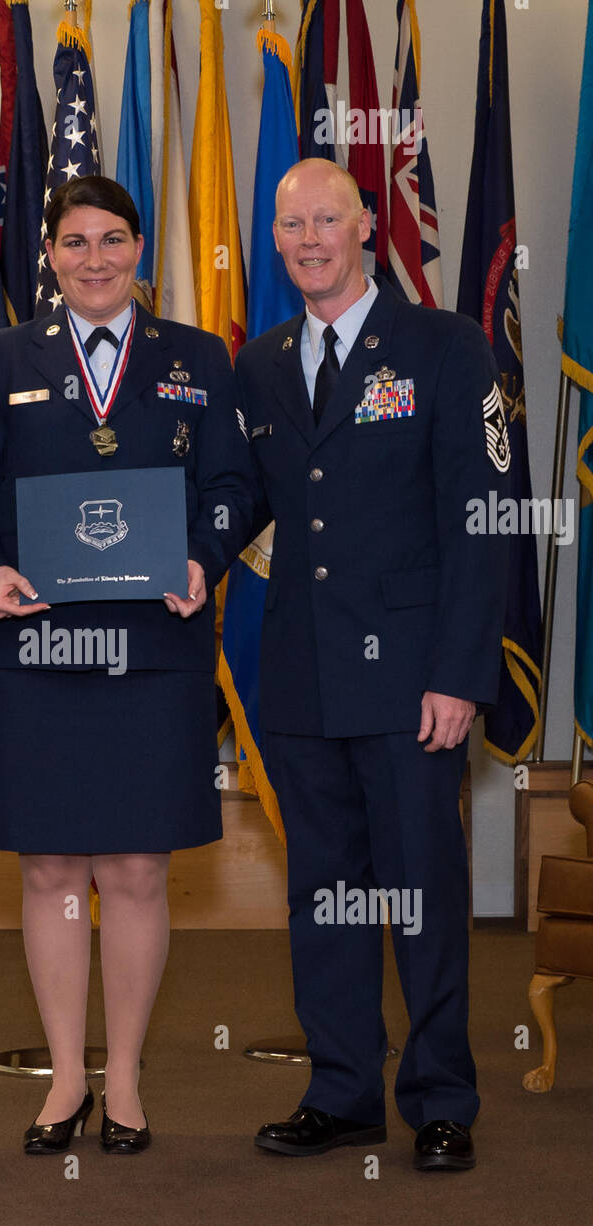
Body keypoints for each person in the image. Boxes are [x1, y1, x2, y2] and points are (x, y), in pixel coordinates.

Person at [0, 176, 252, 1154]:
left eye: (111, 239)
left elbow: (235, 483)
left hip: (153, 649)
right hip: (32, 644)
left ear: (139, 248)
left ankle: (123, 1077)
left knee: (133, 865)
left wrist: (203, 557)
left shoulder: (197, 359)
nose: (93, 258)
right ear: (48, 253)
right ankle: (62, 1076)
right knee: (49, 868)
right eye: (73, 242)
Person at [234, 158, 508, 1171]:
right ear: (273, 239)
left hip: (409, 681)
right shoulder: (257, 364)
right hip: (299, 676)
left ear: (365, 229)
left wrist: (458, 671)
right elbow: (235, 500)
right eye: (289, 223)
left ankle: (439, 1096)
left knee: (418, 892)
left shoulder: (444, 348)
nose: (307, 238)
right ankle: (341, 1088)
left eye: (326, 219)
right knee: (324, 892)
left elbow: (477, 522)